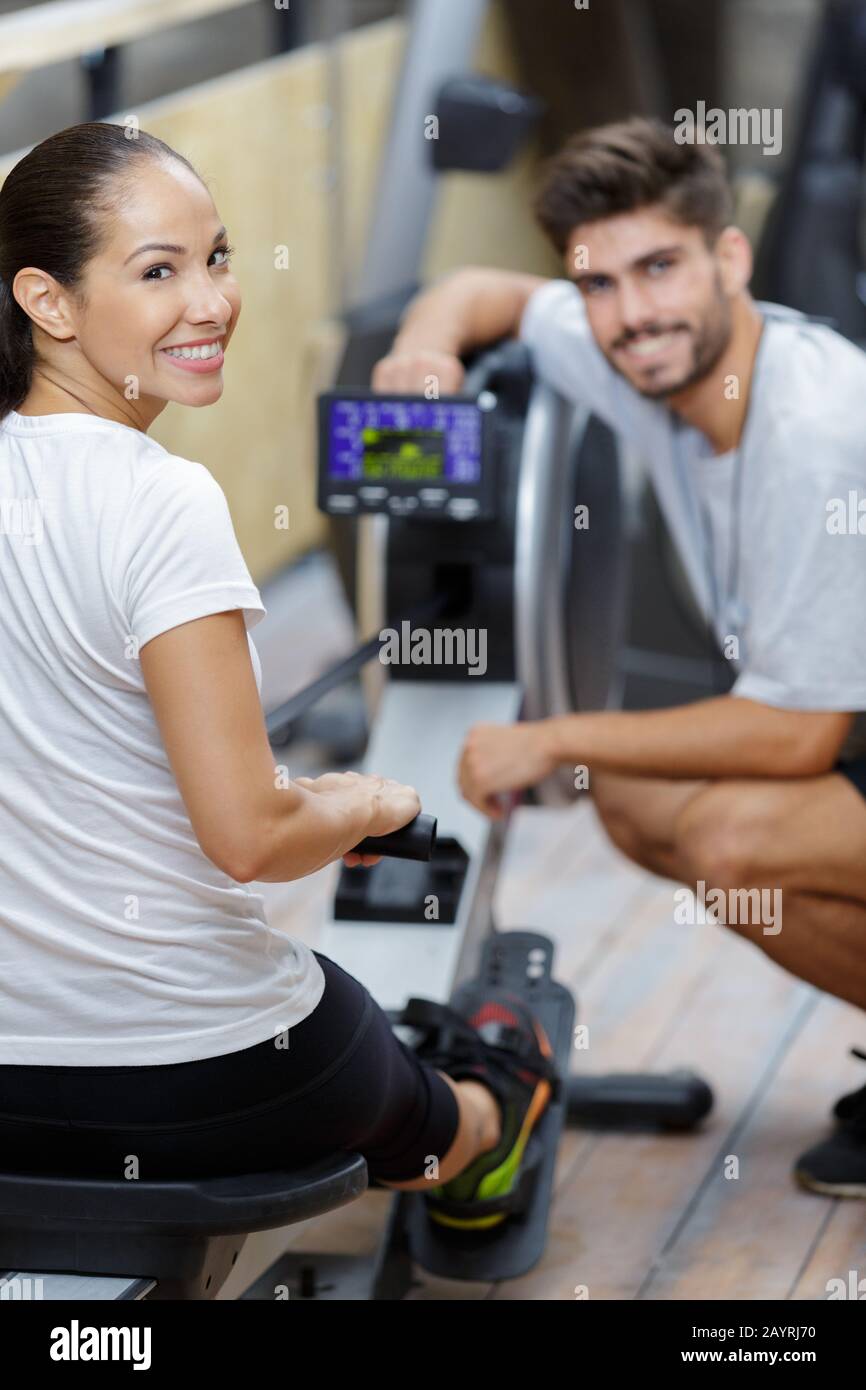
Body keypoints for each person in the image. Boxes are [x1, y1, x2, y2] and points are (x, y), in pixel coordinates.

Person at [0, 121, 554, 1230]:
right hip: (203, 1064)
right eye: (158, 271)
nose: (210, 303)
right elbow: (252, 837)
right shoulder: (163, 499)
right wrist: (368, 800)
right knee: (426, 1119)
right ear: (48, 303)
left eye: (217, 257)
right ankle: (493, 1118)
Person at [373, 115, 866, 1197]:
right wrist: (425, 341)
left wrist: (545, 737)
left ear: (726, 259)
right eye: (598, 283)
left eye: (657, 269)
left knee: (729, 838)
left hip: (826, 731)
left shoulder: (816, 432)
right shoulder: (650, 362)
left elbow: (794, 735)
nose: (631, 312)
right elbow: (484, 291)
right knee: (634, 798)